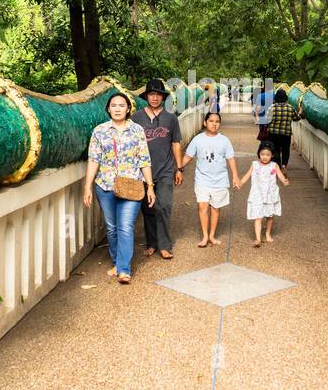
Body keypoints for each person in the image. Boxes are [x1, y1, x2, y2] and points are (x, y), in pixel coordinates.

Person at [84, 91, 155, 285]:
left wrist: (150, 186)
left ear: (128, 108)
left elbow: (144, 159)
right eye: (113, 105)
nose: (117, 108)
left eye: (121, 105)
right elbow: (94, 160)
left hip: (131, 186)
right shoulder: (99, 131)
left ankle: (124, 269)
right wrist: (87, 187)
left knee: (125, 226)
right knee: (112, 228)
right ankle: (117, 261)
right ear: (108, 109)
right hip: (105, 186)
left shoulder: (137, 130)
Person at [133, 78, 183, 260]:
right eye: (152, 94)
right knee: (148, 209)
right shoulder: (136, 118)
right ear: (146, 96)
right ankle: (152, 243)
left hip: (165, 171)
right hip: (142, 172)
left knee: (164, 206)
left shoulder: (171, 118)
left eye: (158, 95)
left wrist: (179, 168)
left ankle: (164, 245)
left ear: (163, 97)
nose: (155, 98)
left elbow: (176, 143)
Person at [181, 110, 241, 247]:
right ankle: (205, 236)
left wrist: (235, 176)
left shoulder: (224, 140)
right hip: (202, 179)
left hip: (220, 180)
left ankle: (212, 235)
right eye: (211, 121)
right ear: (205, 123)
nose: (214, 124)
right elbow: (188, 156)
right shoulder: (198, 139)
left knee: (215, 208)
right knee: (202, 206)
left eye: (217, 121)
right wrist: (178, 168)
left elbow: (231, 158)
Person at [239, 141, 290, 246]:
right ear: (259, 154)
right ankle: (257, 238)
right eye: (262, 154)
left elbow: (280, 176)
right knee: (258, 216)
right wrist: (240, 183)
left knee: (269, 216)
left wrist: (284, 181)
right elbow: (247, 175)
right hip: (257, 194)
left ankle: (267, 233)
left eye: (267, 155)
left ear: (272, 155)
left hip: (270, 195)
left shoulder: (274, 166)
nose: (265, 157)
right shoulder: (255, 164)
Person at [267, 87, 294, 172]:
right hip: (286, 133)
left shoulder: (272, 107)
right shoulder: (290, 108)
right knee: (286, 150)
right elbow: (296, 118)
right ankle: (284, 165)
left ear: (276, 97)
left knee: (275, 150)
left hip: (273, 133)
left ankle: (278, 166)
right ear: (286, 97)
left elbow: (267, 120)